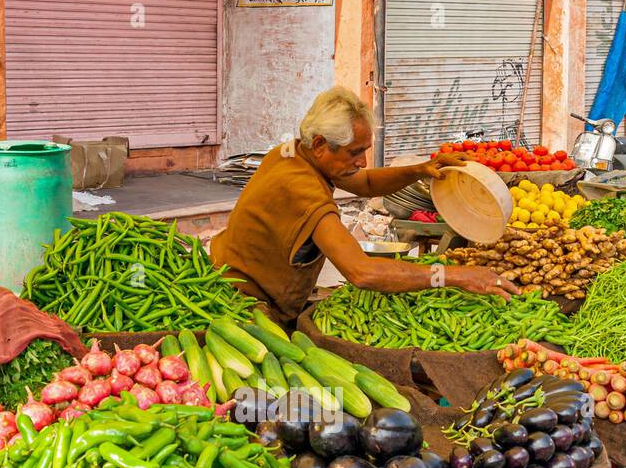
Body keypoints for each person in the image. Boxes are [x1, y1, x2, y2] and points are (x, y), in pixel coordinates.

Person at [210, 86, 518, 326]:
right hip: (245, 304)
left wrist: (422, 168)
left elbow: (366, 183)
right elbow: (362, 272)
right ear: (320, 145)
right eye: (355, 152)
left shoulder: (292, 153)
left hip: (236, 280)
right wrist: (452, 275)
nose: (362, 161)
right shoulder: (302, 190)